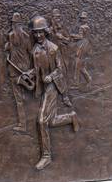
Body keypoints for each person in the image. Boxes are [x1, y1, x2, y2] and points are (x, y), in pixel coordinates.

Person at [17, 14, 79, 171]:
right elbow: (36, 69)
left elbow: (61, 69)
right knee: (50, 121)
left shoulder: (53, 49)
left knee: (42, 121)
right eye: (35, 33)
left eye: (41, 32)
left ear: (46, 32)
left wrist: (51, 77)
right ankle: (71, 117)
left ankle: (46, 156)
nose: (38, 35)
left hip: (53, 87)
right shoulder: (35, 50)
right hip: (43, 88)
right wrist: (28, 74)